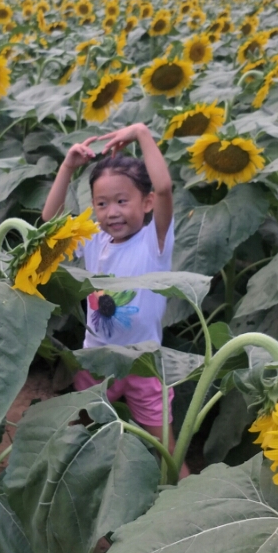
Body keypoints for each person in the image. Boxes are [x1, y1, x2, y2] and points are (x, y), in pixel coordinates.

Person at [42, 123, 175, 452]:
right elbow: (50, 222)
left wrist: (143, 134)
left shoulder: (153, 242)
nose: (111, 212)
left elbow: (165, 189)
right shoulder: (93, 239)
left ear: (146, 203)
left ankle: (180, 491)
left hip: (143, 365)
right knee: (83, 433)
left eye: (121, 200)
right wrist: (68, 167)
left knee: (164, 449)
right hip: (97, 359)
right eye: (101, 204)